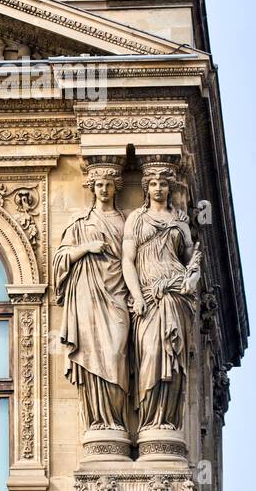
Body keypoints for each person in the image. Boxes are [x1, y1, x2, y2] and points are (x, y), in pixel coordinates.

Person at [52, 164, 131, 434]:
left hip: (118, 297)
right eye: (99, 185)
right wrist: (85, 248)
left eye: (109, 185)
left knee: (117, 354)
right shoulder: (80, 224)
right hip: (87, 296)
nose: (105, 190)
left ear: (116, 187)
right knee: (92, 354)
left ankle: (116, 420)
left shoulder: (127, 222)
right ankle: (100, 422)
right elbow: (59, 261)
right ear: (92, 188)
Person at [123, 163, 200, 430]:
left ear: (170, 188)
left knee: (173, 356)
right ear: (146, 187)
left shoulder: (180, 220)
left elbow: (191, 259)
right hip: (148, 297)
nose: (159, 188)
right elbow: (127, 261)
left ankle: (165, 419)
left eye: (164, 184)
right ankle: (149, 419)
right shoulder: (136, 218)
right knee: (151, 354)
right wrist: (137, 296)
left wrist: (193, 276)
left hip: (176, 293)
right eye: (154, 183)